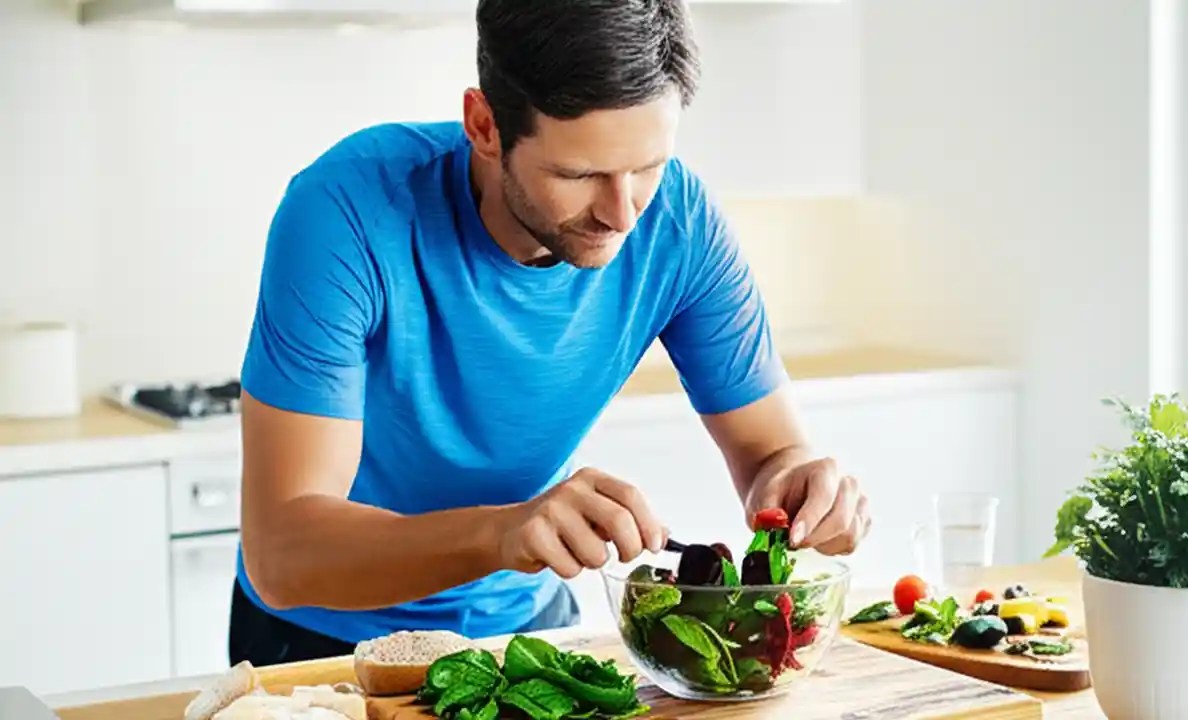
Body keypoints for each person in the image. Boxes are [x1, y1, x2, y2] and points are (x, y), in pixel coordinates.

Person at [229, 0, 872, 667]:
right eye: (579, 174)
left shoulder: (679, 221)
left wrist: (800, 486)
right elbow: (284, 554)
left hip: (531, 632)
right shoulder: (347, 209)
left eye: (649, 164)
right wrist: (504, 533)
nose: (623, 215)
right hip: (321, 643)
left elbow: (772, 455)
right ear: (484, 125)